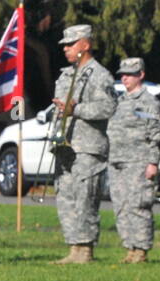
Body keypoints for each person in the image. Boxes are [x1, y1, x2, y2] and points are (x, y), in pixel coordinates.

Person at [50, 25, 117, 264]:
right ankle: (73, 248)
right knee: (65, 196)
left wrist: (76, 109)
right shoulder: (66, 74)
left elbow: (108, 107)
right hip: (65, 145)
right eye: (65, 45)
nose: (66, 49)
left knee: (85, 198)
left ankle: (86, 249)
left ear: (86, 45)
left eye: (71, 44)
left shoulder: (99, 75)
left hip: (88, 147)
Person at [107, 58, 160, 264]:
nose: (125, 78)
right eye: (122, 74)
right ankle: (129, 247)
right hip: (117, 161)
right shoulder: (121, 101)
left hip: (138, 162)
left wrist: (153, 162)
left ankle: (141, 249)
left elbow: (156, 134)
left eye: (130, 74)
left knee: (138, 206)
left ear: (141, 75)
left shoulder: (148, 102)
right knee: (121, 206)